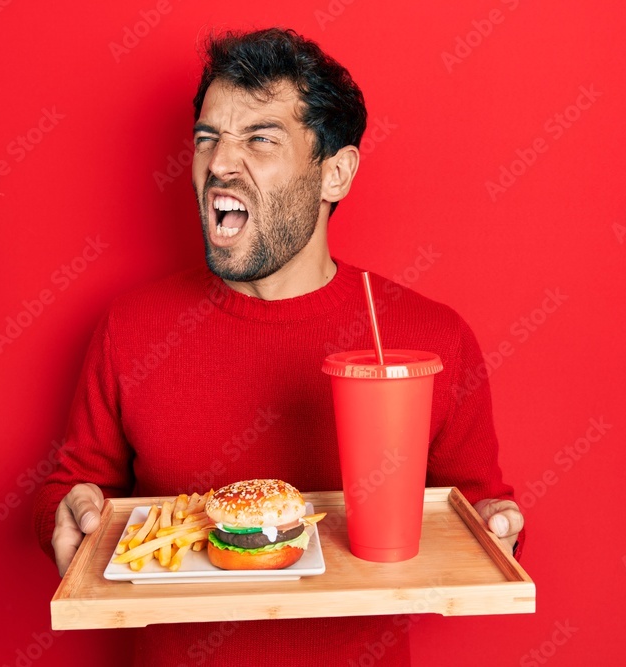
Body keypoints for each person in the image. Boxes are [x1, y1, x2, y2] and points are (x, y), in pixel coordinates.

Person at [33, 27, 525, 666]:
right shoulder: (131, 328)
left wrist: (500, 528)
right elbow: (72, 488)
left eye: (259, 139)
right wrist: (64, 514)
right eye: (207, 138)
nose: (219, 163)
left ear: (335, 174)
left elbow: (477, 509)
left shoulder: (431, 337)